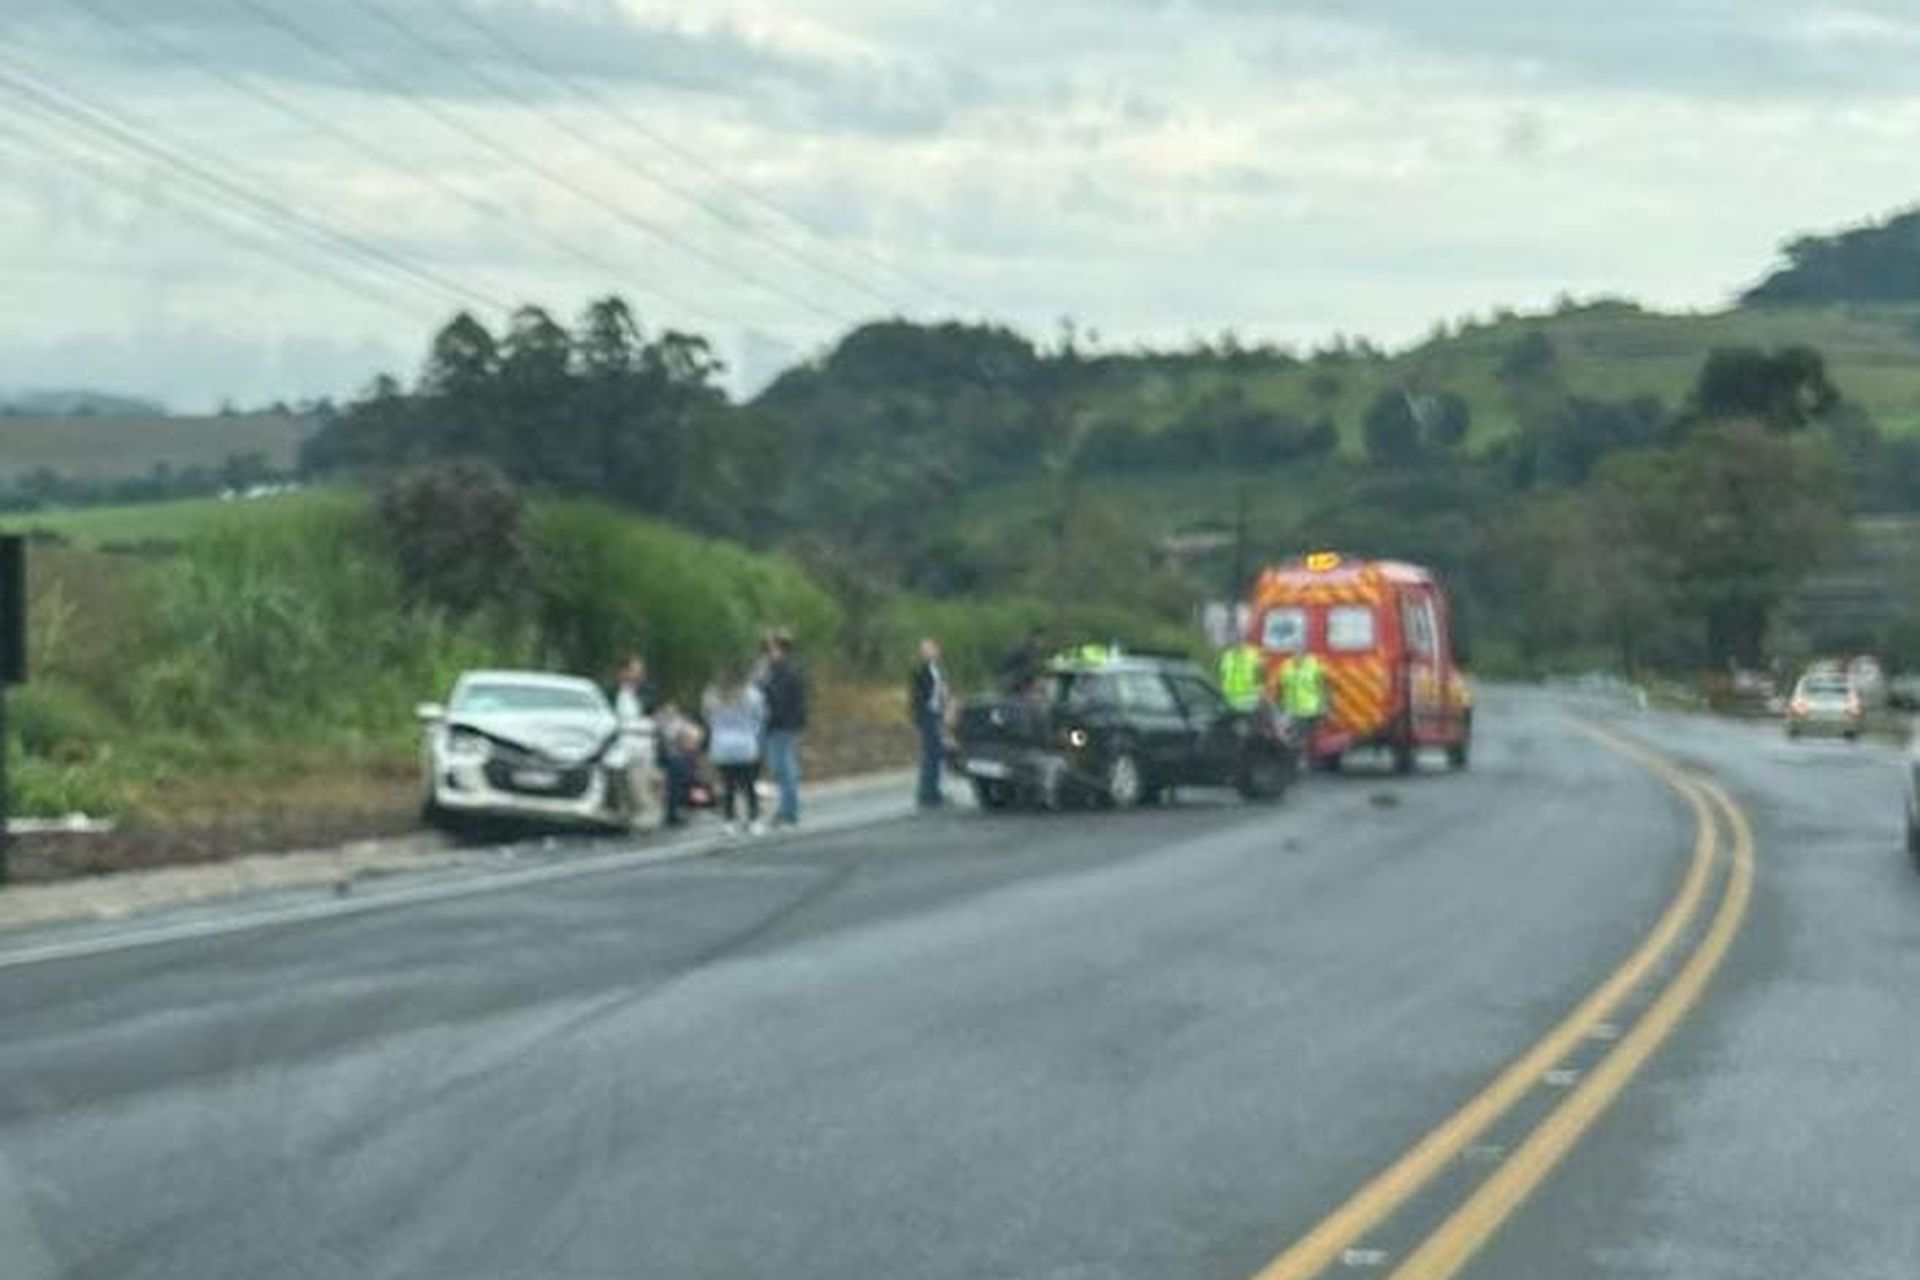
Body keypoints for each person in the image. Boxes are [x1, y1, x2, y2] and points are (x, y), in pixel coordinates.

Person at [703, 666, 767, 837]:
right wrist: (754, 732)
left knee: (728, 785)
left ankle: (729, 822)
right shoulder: (752, 695)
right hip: (746, 743)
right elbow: (760, 716)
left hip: (722, 745)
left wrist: (717, 731)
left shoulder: (712, 695)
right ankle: (754, 820)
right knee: (749, 785)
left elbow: (707, 717)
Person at [760, 628, 808, 826]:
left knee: (783, 767)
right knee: (781, 767)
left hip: (782, 725)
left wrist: (763, 686)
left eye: (771, 649)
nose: (767, 654)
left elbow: (780, 700)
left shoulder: (785, 672)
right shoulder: (782, 670)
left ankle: (789, 810)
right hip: (781, 724)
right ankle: (788, 807)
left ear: (781, 650)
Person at [611, 654, 664, 831]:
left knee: (641, 780)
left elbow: (654, 713)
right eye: (634, 671)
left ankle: (646, 815)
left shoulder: (648, 692)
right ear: (623, 672)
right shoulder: (613, 691)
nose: (637, 675)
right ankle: (624, 813)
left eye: (640, 671)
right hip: (619, 743)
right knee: (621, 781)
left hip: (642, 742)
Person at [909, 637, 950, 810]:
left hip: (937, 714)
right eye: (925, 650)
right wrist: (917, 719)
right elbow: (915, 698)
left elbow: (942, 691)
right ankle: (926, 794)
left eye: (932, 649)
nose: (930, 652)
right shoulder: (920, 671)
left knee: (938, 753)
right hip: (926, 715)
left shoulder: (939, 669)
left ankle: (935, 791)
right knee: (930, 754)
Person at [1277, 649, 1329, 750]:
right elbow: (1282, 687)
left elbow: (1323, 687)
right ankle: (1297, 756)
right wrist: (1281, 704)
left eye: (1299, 654)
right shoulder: (1286, 667)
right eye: (1294, 654)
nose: (1296, 657)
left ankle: (1306, 757)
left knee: (1306, 737)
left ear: (1305, 655)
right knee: (1293, 736)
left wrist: (1323, 705)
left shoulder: (1314, 667)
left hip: (1310, 710)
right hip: (1292, 709)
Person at [1217, 637, 1264, 712]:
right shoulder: (1253, 655)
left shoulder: (1226, 657)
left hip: (1232, 705)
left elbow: (1221, 678)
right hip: (1250, 704)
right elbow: (1262, 676)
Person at [998, 626, 1048, 695]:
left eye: (1044, 640)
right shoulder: (1025, 652)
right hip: (1013, 683)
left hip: (1019, 682)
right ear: (1033, 639)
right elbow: (1024, 673)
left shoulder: (1035, 653)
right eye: (1041, 639)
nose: (1043, 642)